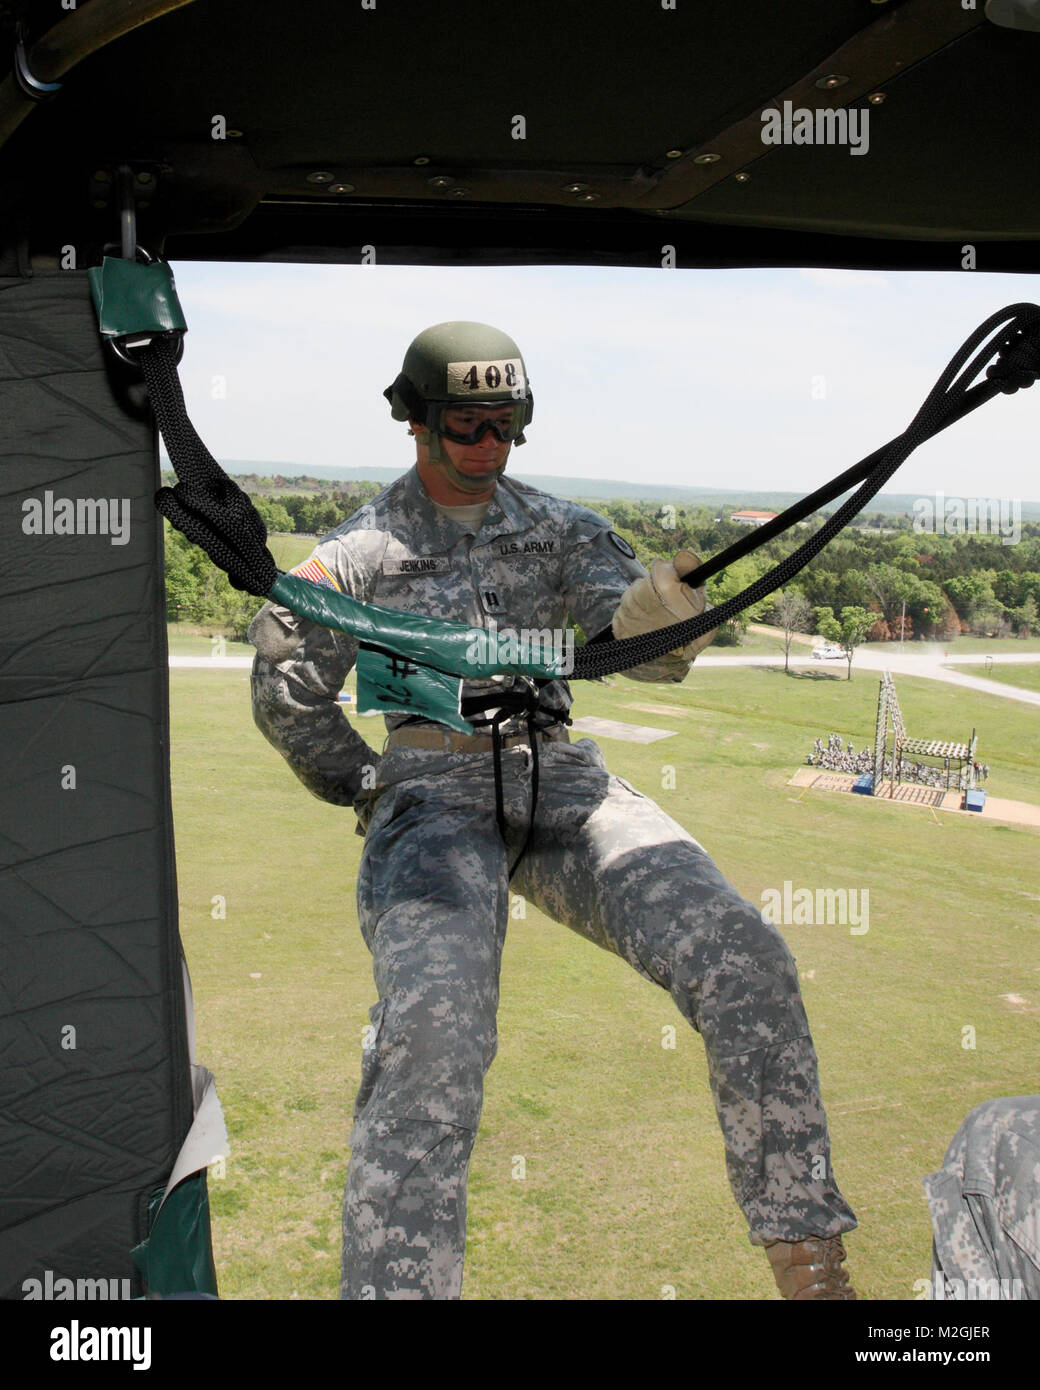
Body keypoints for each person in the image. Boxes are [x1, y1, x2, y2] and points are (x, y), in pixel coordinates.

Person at [247, 321, 858, 1300]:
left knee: (744, 957)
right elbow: (285, 689)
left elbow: (634, 644)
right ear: (416, 422)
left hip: (560, 782)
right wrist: (362, 785)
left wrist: (666, 617)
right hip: (433, 799)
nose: (486, 444)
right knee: (430, 1034)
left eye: (503, 423)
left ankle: (810, 1263)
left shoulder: (560, 531)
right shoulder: (356, 556)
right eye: (465, 423)